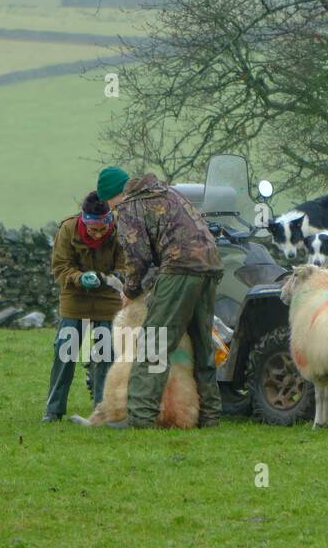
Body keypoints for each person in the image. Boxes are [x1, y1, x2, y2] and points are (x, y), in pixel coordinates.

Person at [97, 165, 223, 428]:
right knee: (202, 344)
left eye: (108, 202)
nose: (110, 209)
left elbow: (137, 258)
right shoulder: (167, 192)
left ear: (112, 195)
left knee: (154, 343)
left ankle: (140, 417)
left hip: (180, 268)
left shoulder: (129, 207)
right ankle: (210, 416)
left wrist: (130, 292)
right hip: (210, 265)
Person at [42, 191, 125, 422]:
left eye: (102, 228)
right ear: (84, 219)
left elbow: (125, 269)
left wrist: (102, 278)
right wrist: (80, 278)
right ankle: (53, 409)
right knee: (65, 353)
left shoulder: (121, 231)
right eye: (93, 229)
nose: (98, 233)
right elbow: (60, 267)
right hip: (74, 299)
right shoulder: (67, 229)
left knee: (105, 354)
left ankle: (103, 408)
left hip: (109, 300)